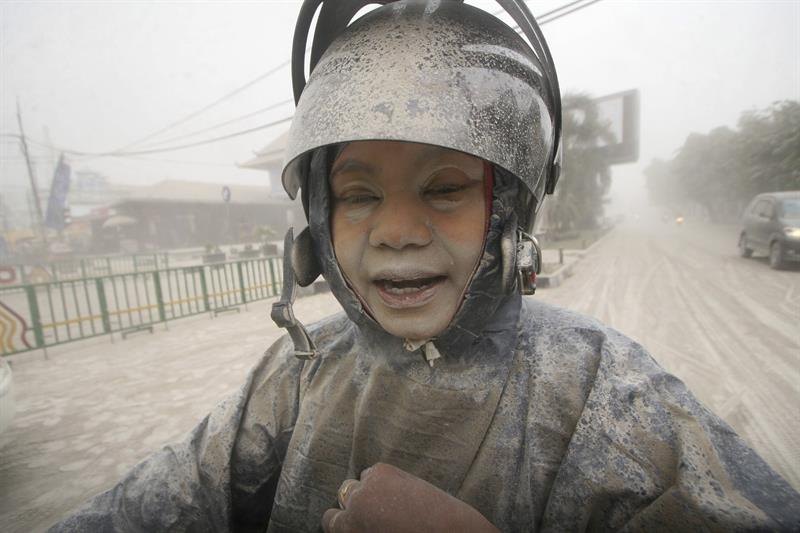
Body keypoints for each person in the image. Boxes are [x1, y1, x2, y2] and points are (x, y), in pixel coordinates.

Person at [52, 1, 800, 532]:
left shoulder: (610, 395)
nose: (399, 231)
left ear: (509, 212)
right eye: (357, 194)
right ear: (315, 225)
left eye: (444, 188)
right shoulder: (295, 374)